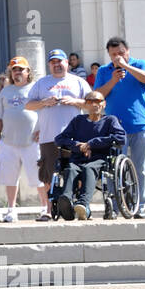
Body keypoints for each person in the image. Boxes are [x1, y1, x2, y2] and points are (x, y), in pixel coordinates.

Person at [24, 49, 92, 220]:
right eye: (53, 62)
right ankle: (48, 209)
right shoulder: (41, 83)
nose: (57, 65)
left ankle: (78, 205)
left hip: (74, 138)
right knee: (48, 174)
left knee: (76, 171)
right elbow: (28, 105)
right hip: (49, 136)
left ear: (67, 63)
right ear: (49, 65)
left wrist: (76, 101)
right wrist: (43, 102)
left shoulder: (78, 81)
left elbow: (93, 104)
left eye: (60, 61)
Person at [92, 36, 145, 219]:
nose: (117, 57)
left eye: (121, 53)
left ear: (128, 51)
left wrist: (126, 67)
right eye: (113, 55)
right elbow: (97, 96)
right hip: (115, 128)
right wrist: (112, 80)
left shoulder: (140, 64)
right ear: (109, 55)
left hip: (140, 125)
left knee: (140, 168)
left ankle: (139, 205)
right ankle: (115, 207)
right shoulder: (104, 71)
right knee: (113, 169)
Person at [53, 92, 126, 221]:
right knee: (70, 169)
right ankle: (66, 202)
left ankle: (83, 205)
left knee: (89, 169)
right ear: (85, 104)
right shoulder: (78, 121)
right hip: (77, 158)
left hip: (100, 158)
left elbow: (121, 138)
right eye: (90, 101)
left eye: (98, 101)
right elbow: (59, 139)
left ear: (104, 104)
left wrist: (91, 144)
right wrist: (77, 145)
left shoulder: (110, 120)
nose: (94, 104)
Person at [0, 56, 43, 222]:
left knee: (39, 177)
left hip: (32, 142)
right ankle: (11, 210)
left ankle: (45, 208)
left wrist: (43, 129)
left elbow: (45, 111)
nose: (17, 72)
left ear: (28, 72)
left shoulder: (36, 89)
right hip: (8, 142)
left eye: (21, 69)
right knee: (10, 178)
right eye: (14, 69)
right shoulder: (5, 91)